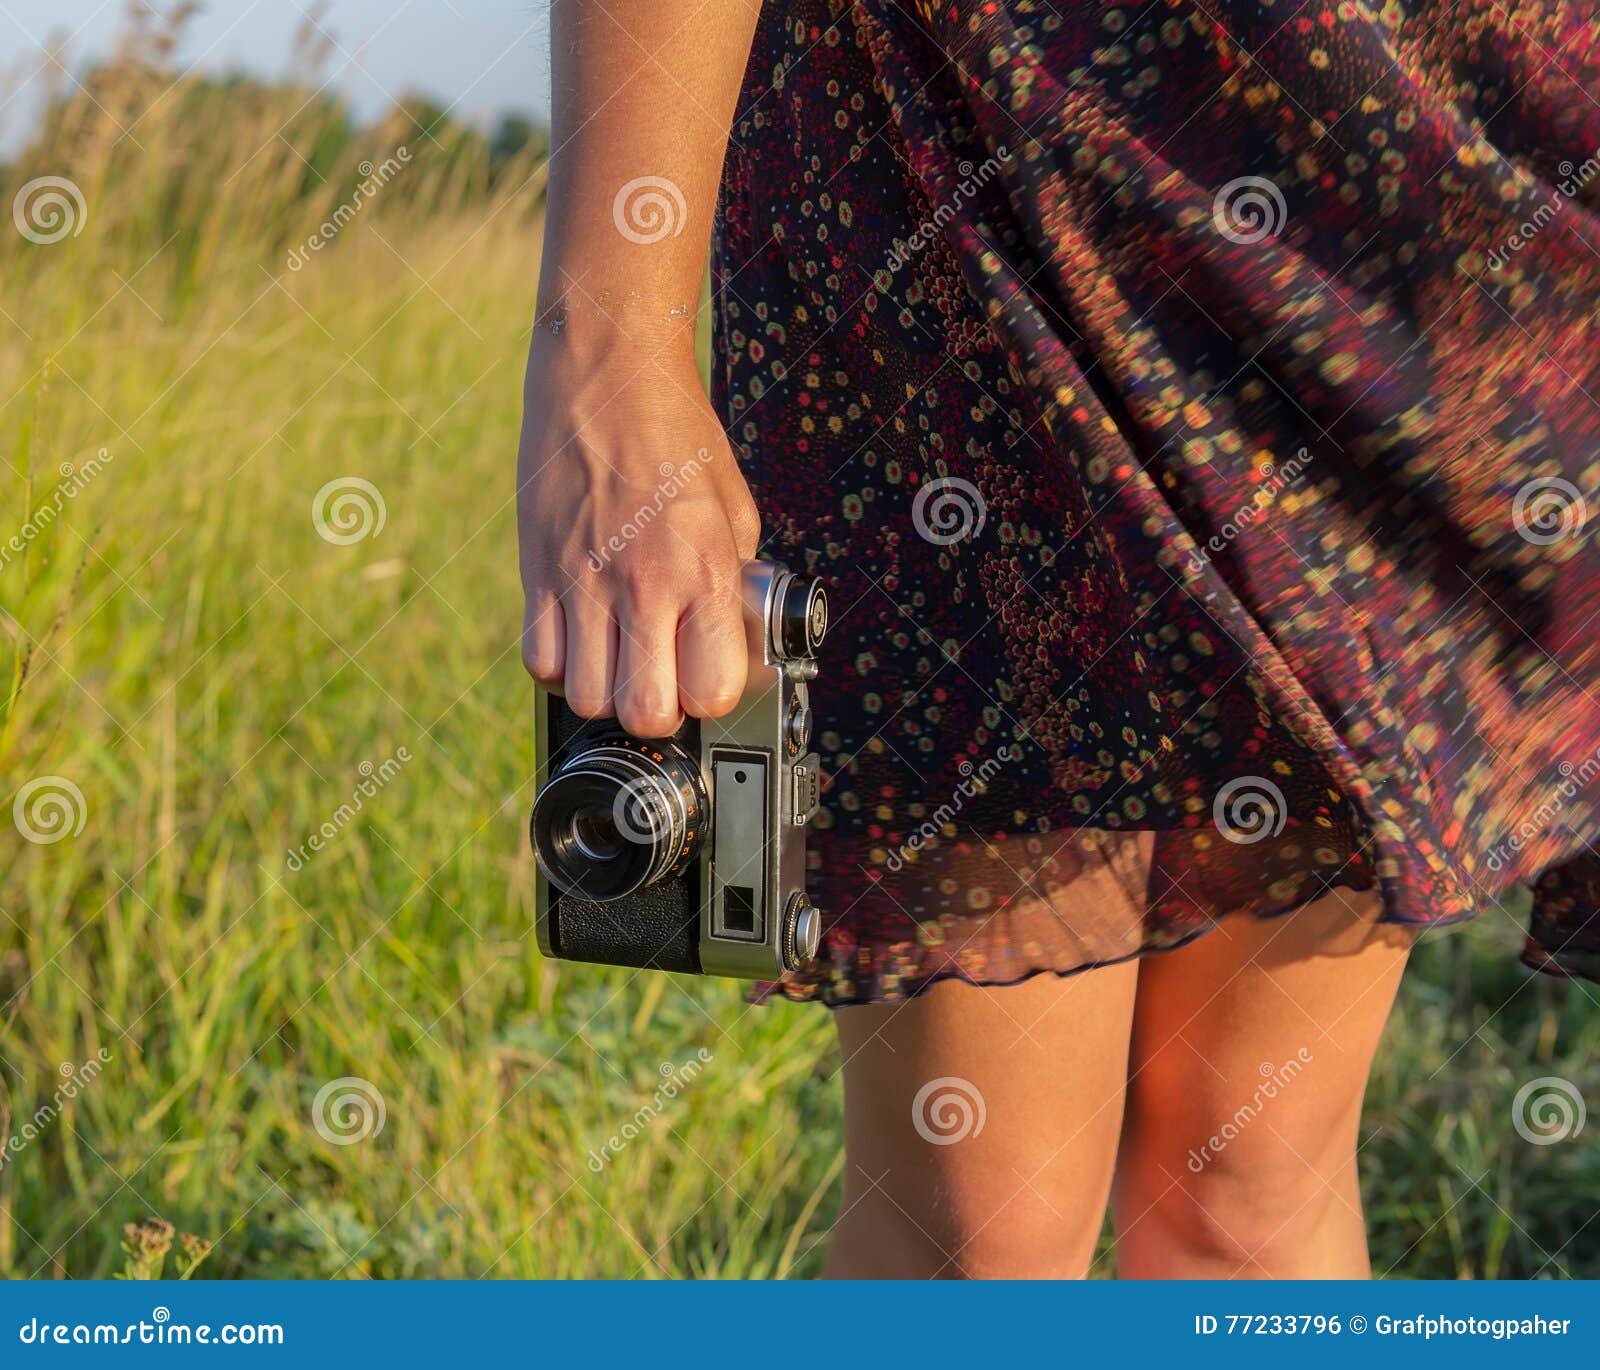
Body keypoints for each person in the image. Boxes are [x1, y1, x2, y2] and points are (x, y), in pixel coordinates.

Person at [518, 0, 1600, 1278]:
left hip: (1405, 209)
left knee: (1243, 1180)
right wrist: (612, 337)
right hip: (956, 176)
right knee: (981, 1226)